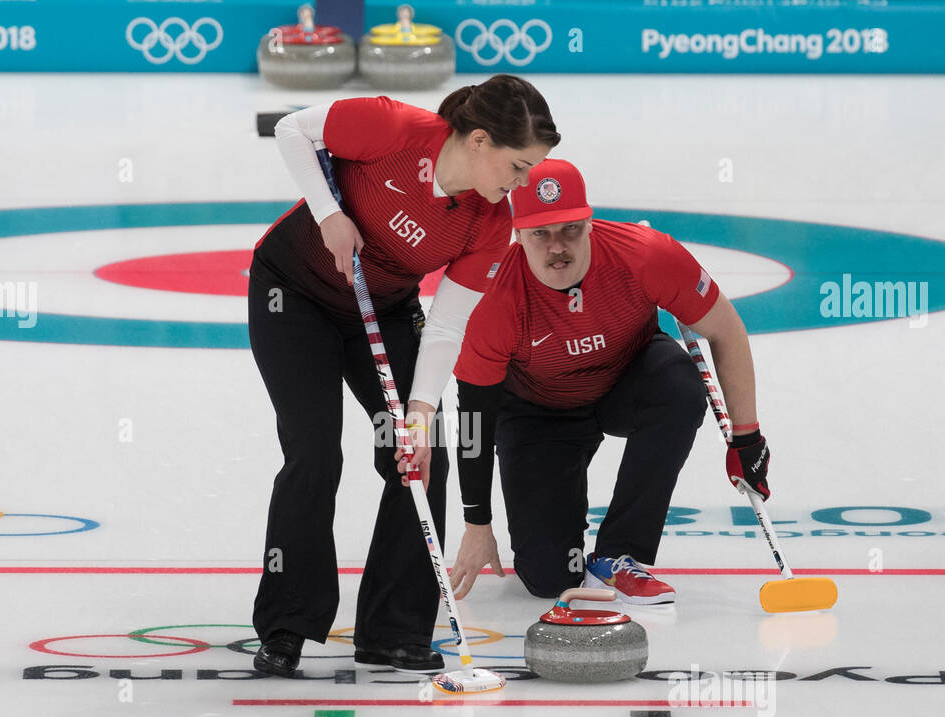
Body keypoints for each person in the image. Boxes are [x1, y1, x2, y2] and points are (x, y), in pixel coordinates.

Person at [248, 76, 560, 677]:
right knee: (314, 455)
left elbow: (445, 326)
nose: (522, 183)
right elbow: (292, 129)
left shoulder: (490, 221)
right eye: (518, 166)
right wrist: (330, 214)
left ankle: (393, 628)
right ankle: (288, 622)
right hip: (293, 293)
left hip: (383, 307)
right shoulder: (394, 127)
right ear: (478, 141)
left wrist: (418, 410)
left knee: (423, 454)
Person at [434, 158, 770, 605]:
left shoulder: (646, 254)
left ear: (590, 222)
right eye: (540, 233)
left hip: (623, 382)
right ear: (517, 233)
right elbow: (473, 414)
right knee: (551, 579)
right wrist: (477, 523)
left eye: (570, 228)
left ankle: (620, 554)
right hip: (539, 413)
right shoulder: (491, 299)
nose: (557, 247)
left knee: (678, 385)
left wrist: (746, 439)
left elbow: (725, 329)